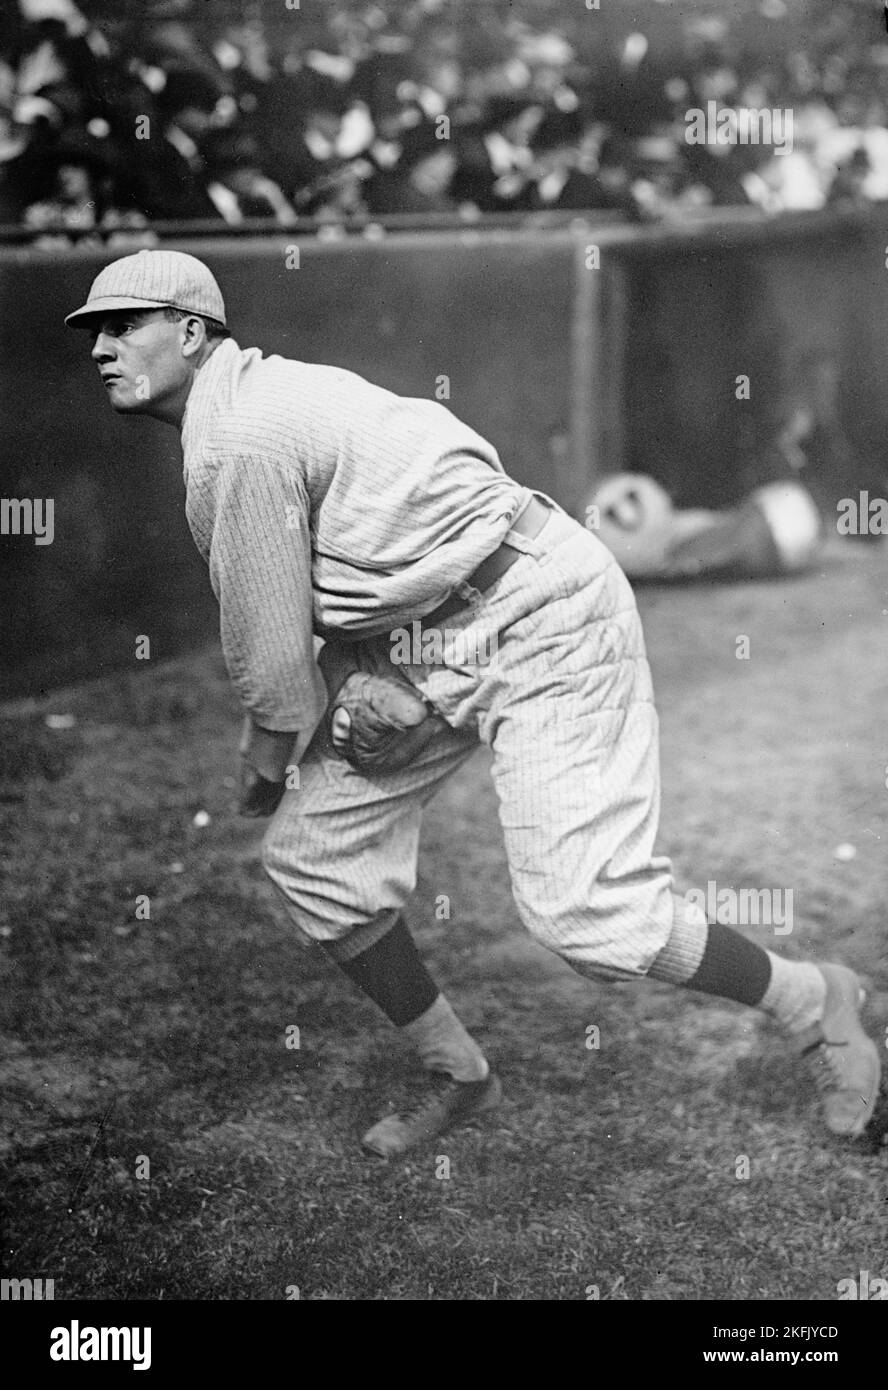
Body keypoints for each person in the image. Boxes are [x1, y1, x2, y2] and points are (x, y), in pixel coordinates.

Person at [65, 249, 882, 1158]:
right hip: (433, 628)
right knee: (315, 857)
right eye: (94, 329)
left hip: (542, 613)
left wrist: (269, 760)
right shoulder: (254, 404)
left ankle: (813, 998)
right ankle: (458, 1074)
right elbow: (347, 573)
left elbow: (270, 657)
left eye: (124, 325)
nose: (102, 347)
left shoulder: (239, 437)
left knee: (586, 915)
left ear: (191, 333)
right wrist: (369, 679)